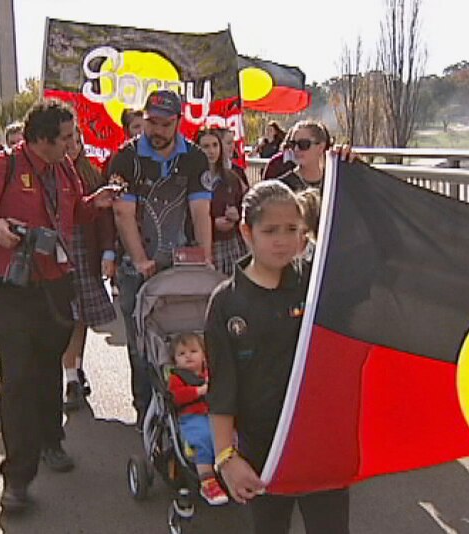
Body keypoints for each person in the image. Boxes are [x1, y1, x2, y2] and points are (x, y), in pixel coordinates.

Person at [0, 99, 121, 512]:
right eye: (66, 137)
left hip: (56, 287)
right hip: (12, 291)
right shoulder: (1, 168)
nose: (72, 144)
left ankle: (51, 441)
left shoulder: (63, 169)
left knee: (47, 370)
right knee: (18, 382)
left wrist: (94, 203)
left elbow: (73, 214)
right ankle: (17, 477)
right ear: (42, 139)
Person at [206, 181, 350, 533]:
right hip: (261, 452)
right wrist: (227, 458)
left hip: (321, 446)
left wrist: (351, 180)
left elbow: (366, 250)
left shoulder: (317, 285)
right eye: (270, 230)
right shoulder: (226, 304)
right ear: (246, 232)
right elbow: (221, 389)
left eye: (292, 230)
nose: (282, 240)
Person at [109, 89, 213, 429]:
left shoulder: (195, 158)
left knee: (185, 340)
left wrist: (206, 259)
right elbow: (123, 213)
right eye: (151, 122)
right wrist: (139, 260)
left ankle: (190, 405)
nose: (156, 130)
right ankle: (145, 413)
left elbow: (200, 210)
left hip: (181, 263)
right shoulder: (126, 158)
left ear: (178, 123)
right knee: (141, 346)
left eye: (164, 124)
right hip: (134, 265)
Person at [62, 126, 117, 411]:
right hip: (58, 253)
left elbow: (104, 217)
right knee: (66, 317)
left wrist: (109, 251)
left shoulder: (91, 173)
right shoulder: (49, 173)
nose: (72, 144)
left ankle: (75, 371)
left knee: (80, 316)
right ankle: (70, 375)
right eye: (66, 139)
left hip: (86, 250)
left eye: (76, 139)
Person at [167, 332, 228, 506]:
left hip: (215, 413)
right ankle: (207, 482)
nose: (188, 356)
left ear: (203, 355)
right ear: (175, 360)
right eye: (181, 354)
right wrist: (197, 392)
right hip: (191, 417)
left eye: (193, 351)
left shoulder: (211, 374)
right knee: (202, 438)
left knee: (232, 436)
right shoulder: (177, 378)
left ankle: (228, 473)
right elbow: (175, 397)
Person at [197, 129, 247, 275]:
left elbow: (247, 206)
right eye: (205, 147)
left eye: (215, 145)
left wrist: (238, 215)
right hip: (202, 245)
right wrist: (212, 223)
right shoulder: (190, 179)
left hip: (230, 245)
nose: (211, 151)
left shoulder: (231, 177)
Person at [276, 121, 332, 194]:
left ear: (321, 147)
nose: (296, 149)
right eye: (292, 144)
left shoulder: (332, 182)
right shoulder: (283, 187)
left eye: (303, 144)